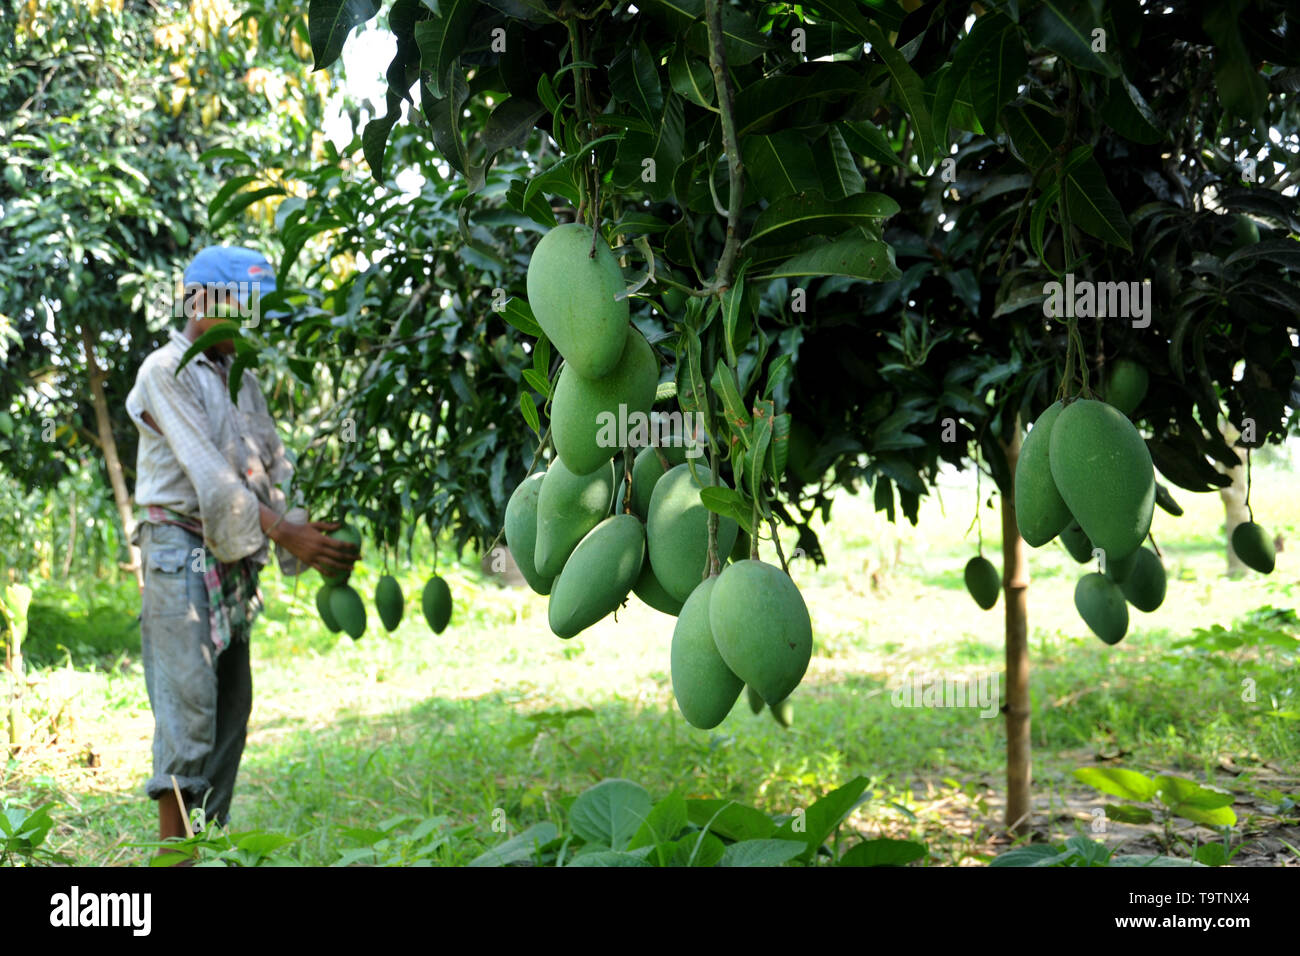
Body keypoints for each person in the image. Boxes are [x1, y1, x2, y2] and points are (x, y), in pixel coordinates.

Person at [125, 245, 358, 862]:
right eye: (237, 307)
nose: (247, 324)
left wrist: (310, 532)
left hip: (228, 556)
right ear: (199, 299)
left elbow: (268, 469)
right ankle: (175, 859)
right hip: (178, 550)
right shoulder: (164, 370)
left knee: (231, 710)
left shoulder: (242, 378)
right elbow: (213, 479)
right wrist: (286, 534)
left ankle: (213, 845)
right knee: (189, 712)